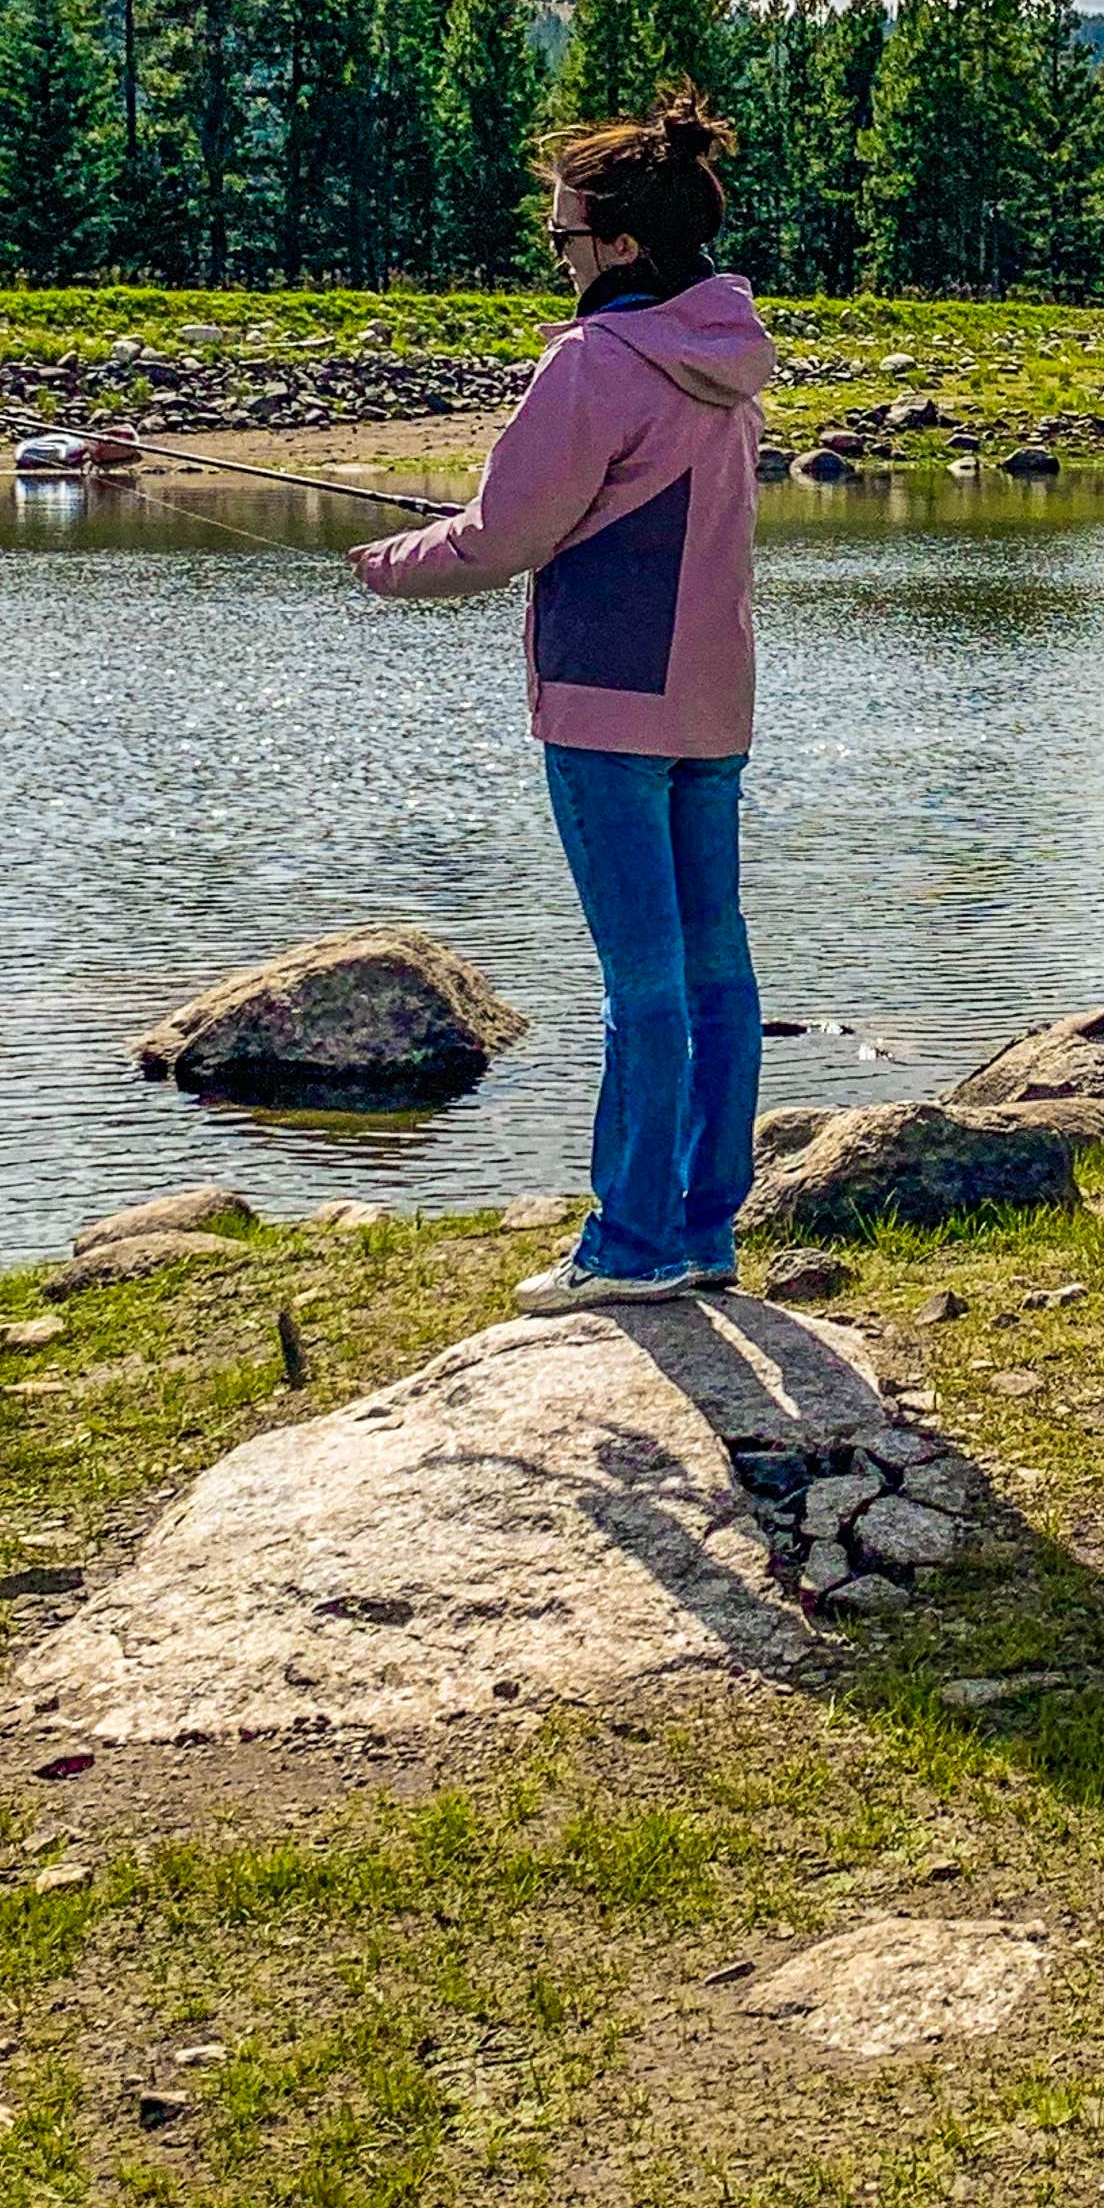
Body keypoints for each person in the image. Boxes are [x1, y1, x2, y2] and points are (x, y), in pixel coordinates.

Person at [348, 85, 777, 1308]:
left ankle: (630, 1246)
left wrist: (390, 564)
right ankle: (702, 1230)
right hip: (711, 702)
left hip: (604, 707)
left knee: (641, 982)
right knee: (714, 971)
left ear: (622, 245)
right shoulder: (729, 359)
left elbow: (503, 539)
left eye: (566, 237)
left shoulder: (592, 363)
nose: (559, 257)